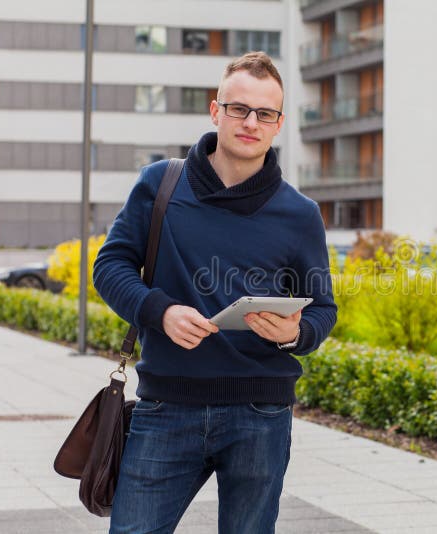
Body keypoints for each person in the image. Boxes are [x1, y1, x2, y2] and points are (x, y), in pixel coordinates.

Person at [93, 51, 337, 533]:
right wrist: (158, 311)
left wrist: (293, 333)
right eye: (239, 109)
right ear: (216, 111)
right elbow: (110, 265)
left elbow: (323, 309)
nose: (251, 122)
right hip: (167, 406)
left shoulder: (300, 213)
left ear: (278, 123)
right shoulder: (161, 184)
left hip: (261, 413)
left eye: (265, 114)